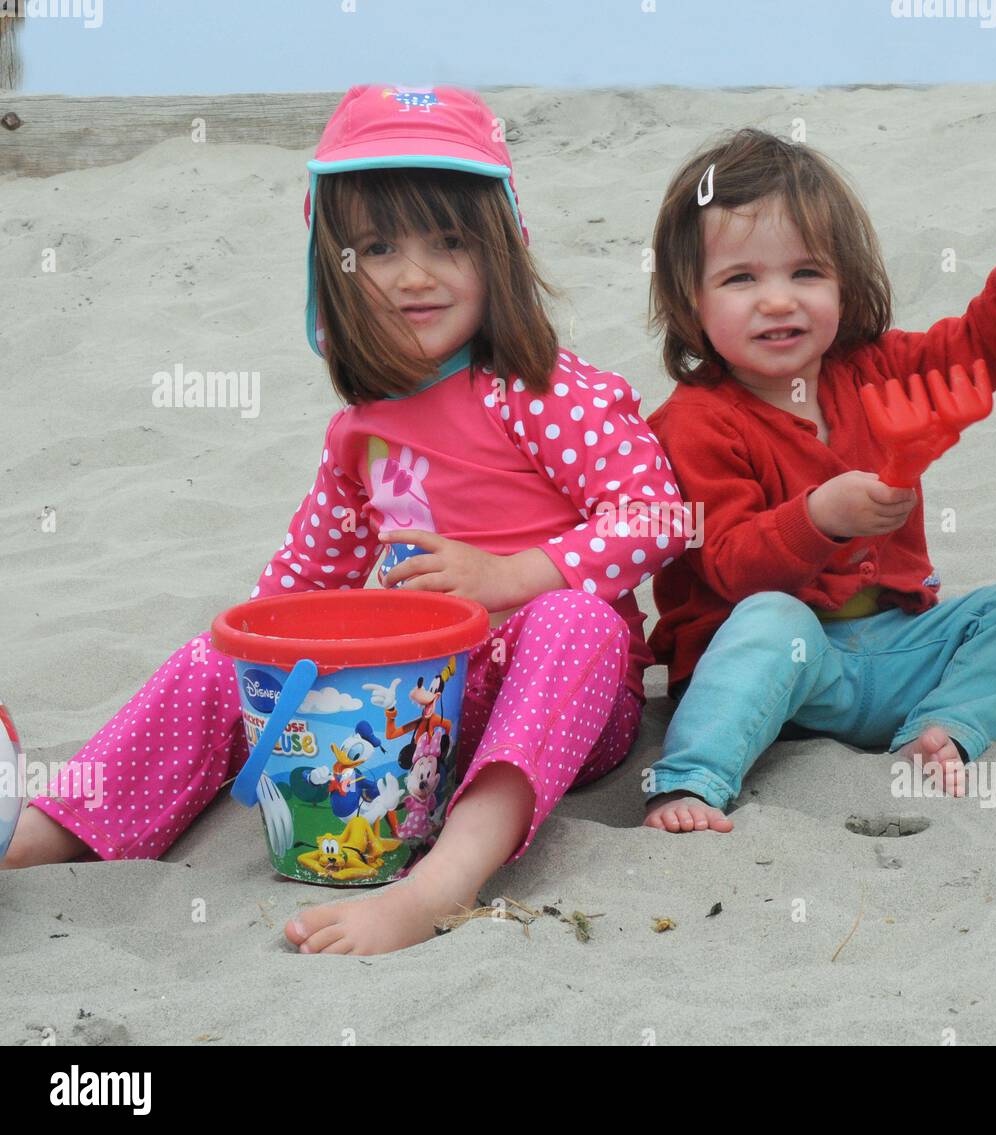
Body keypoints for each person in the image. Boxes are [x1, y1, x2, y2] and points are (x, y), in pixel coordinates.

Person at [2, 85, 687, 956]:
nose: (413, 273)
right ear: (337, 269)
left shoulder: (540, 390)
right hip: (402, 722)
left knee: (575, 620)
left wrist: (514, 575)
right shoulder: (359, 430)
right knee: (226, 653)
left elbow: (659, 514)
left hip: (559, 700)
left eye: (449, 241)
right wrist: (246, 653)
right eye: (377, 246)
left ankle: (440, 884)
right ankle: (49, 837)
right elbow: (300, 589)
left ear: (503, 250)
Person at [641, 128, 996, 833]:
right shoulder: (696, 421)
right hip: (776, 665)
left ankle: (939, 728)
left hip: (892, 645)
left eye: (807, 273)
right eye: (741, 278)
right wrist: (820, 515)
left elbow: (974, 354)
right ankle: (695, 777)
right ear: (690, 301)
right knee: (770, 619)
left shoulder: (871, 368)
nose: (779, 300)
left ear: (844, 282)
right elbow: (726, 566)